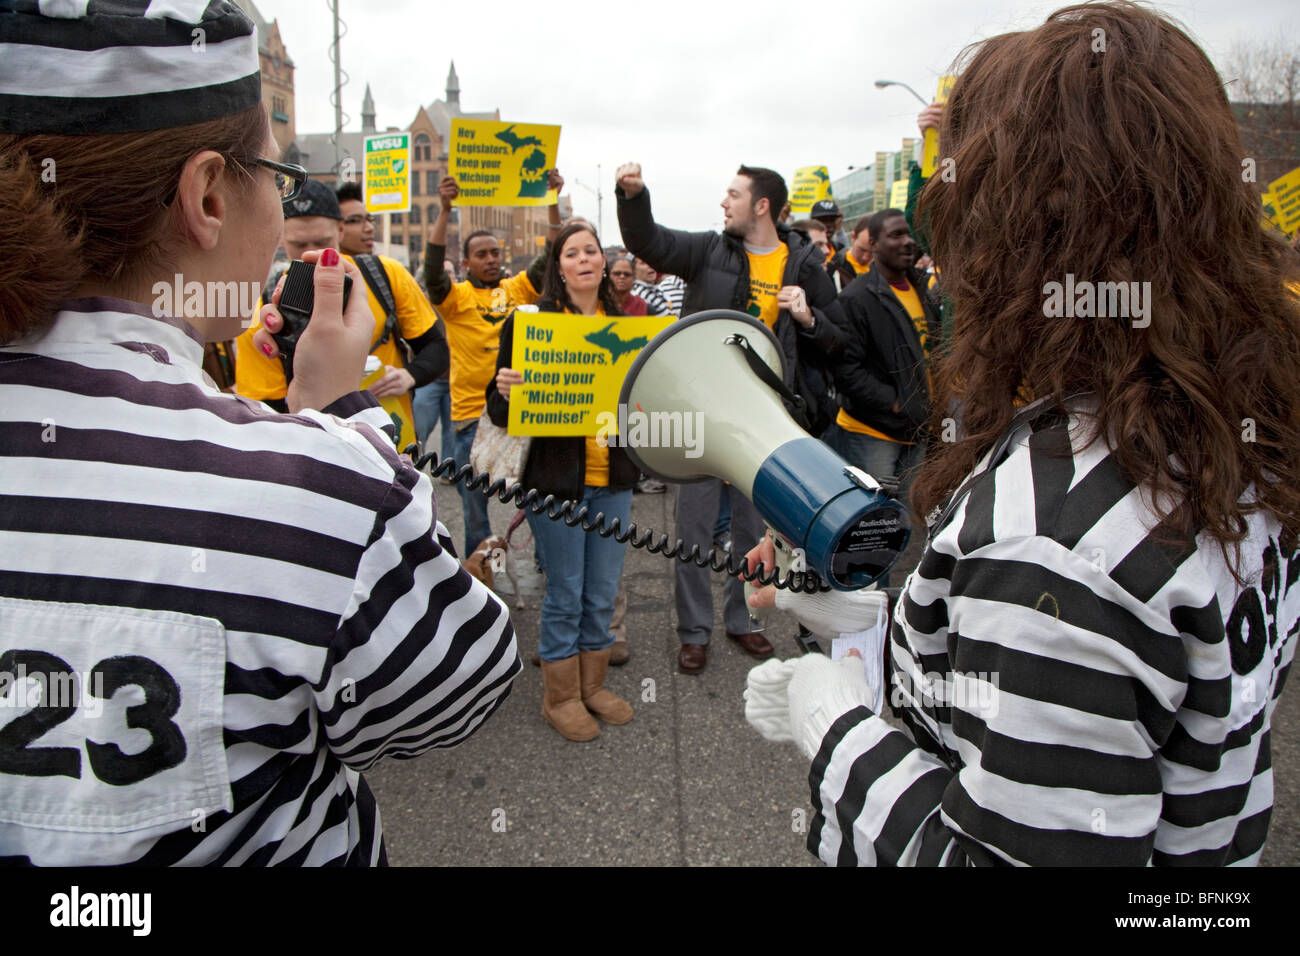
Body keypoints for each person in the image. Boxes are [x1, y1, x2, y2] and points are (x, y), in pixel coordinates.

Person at [745, 0, 1300, 866]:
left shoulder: (1051, 540)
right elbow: (1090, 691)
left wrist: (832, 723)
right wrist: (889, 621)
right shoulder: (1230, 422)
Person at [0, 0, 518, 866]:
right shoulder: (315, 491)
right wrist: (341, 418)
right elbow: (454, 693)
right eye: (275, 179)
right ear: (208, 196)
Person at [615, 161, 845, 673]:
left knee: (753, 535)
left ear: (762, 205)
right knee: (693, 534)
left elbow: (840, 339)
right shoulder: (708, 251)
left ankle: (743, 622)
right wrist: (632, 196)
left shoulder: (806, 264)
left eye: (734, 194)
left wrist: (808, 317)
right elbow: (648, 240)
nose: (724, 202)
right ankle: (694, 632)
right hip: (700, 422)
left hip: (764, 425)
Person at [486, 222, 637, 741]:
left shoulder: (626, 326)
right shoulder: (530, 323)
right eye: (571, 253)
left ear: (603, 261)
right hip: (555, 483)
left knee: (602, 591)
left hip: (613, 481)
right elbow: (498, 410)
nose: (584, 259)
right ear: (559, 267)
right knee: (566, 590)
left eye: (591, 250)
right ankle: (561, 697)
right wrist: (505, 391)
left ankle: (591, 686)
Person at [235, 180, 448, 443]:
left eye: (322, 242)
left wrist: (410, 375)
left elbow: (437, 348)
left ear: (340, 229)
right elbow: (266, 411)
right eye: (299, 244)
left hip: (395, 444)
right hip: (312, 451)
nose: (311, 253)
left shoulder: (386, 275)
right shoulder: (263, 314)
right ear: (280, 237)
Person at [421, 173, 562, 556]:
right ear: (465, 262)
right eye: (481, 255)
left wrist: (552, 199)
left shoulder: (519, 288)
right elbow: (432, 271)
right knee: (476, 515)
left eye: (495, 253)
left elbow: (553, 252)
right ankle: (484, 576)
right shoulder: (455, 298)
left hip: (522, 414)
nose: (490, 260)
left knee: (538, 503)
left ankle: (546, 562)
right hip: (471, 420)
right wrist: (445, 210)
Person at [827, 207, 941, 537]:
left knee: (907, 524)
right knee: (871, 527)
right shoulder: (856, 298)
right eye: (896, 235)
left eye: (909, 234)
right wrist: (894, 402)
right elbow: (845, 370)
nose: (907, 242)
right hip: (874, 433)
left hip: (917, 428)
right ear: (874, 244)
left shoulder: (922, 287)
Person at [826, 215, 873, 292]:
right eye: (862, 250)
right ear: (853, 237)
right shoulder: (835, 267)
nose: (866, 257)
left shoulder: (883, 269)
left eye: (872, 252)